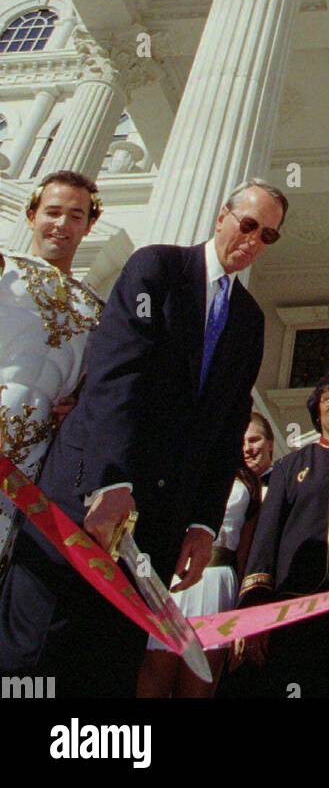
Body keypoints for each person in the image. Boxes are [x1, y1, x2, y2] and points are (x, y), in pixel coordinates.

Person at [0, 177, 287, 697]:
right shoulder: (157, 266)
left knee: (110, 657)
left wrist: (202, 521)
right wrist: (110, 482)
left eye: (267, 235)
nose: (252, 241)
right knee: (38, 651)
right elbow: (117, 373)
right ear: (222, 215)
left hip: (158, 520)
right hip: (87, 491)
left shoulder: (249, 319)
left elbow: (227, 425)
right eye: (248, 224)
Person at [236, 369, 329, 698]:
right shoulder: (290, 466)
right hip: (295, 605)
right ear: (316, 410)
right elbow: (265, 538)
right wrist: (254, 606)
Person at [0, 171, 104, 582]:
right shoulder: (6, 270)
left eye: (75, 216)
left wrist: (77, 409)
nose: (61, 224)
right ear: (31, 215)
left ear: (89, 225)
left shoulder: (98, 310)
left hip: (35, 461)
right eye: (53, 212)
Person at [137, 462, 260, 698]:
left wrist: (244, 613)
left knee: (198, 688)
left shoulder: (248, 480)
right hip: (169, 579)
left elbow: (245, 551)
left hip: (217, 584)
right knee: (154, 680)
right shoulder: (183, 458)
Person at [243, 412, 275, 495]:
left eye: (253, 440)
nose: (247, 448)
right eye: (240, 443)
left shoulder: (286, 483)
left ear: (270, 444)